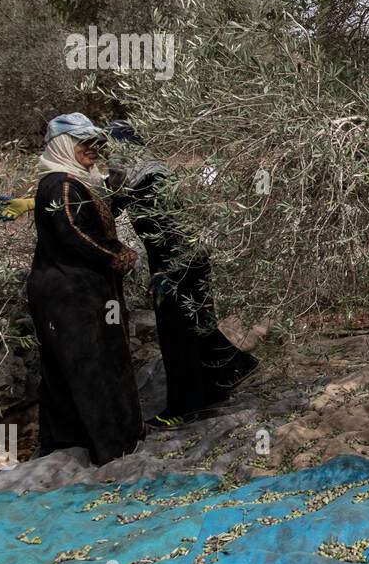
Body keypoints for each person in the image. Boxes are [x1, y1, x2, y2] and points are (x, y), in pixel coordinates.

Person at [104, 120, 258, 425]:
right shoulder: (136, 179)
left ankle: (184, 406)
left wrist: (165, 273)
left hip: (179, 265)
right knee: (195, 325)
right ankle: (224, 378)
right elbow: (107, 206)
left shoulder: (150, 182)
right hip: (182, 264)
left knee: (177, 335)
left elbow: (172, 233)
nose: (109, 157)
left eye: (111, 149)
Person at [26, 113, 144, 464]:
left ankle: (86, 439)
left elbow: (95, 218)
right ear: (64, 146)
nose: (93, 150)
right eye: (84, 143)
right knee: (86, 365)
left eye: (96, 143)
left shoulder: (77, 181)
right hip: (68, 292)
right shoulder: (60, 184)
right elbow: (73, 233)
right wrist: (117, 255)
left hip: (83, 288)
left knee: (94, 362)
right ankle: (106, 446)